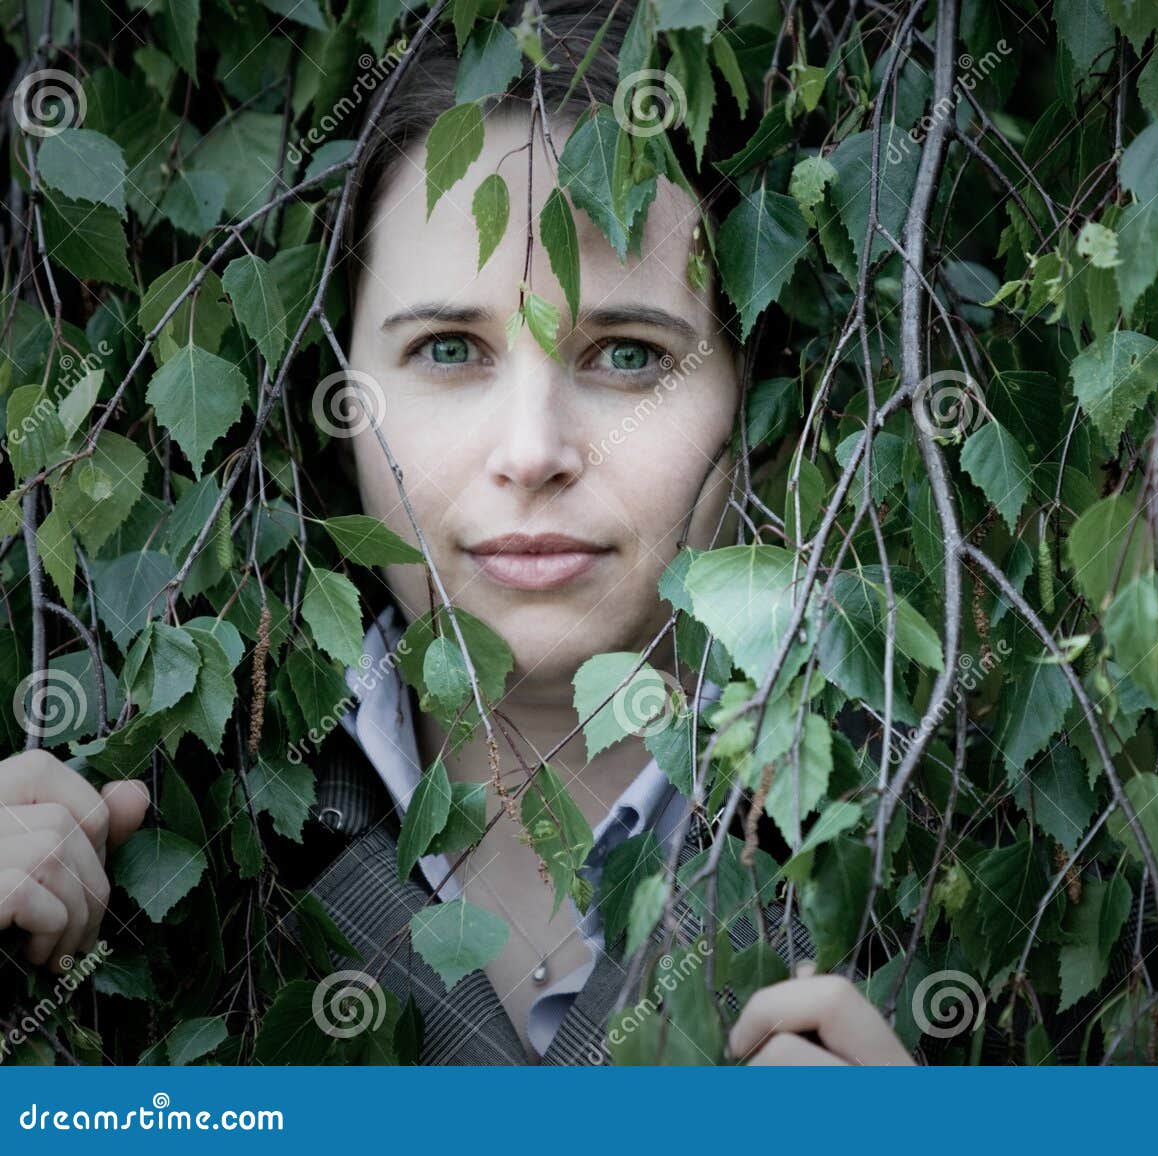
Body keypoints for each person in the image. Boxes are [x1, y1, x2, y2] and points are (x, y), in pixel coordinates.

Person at [0, 2, 912, 1066]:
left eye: (626, 354)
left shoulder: (932, 856)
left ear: (756, 404)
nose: (531, 452)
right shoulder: (154, 862)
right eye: (446, 349)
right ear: (337, 405)